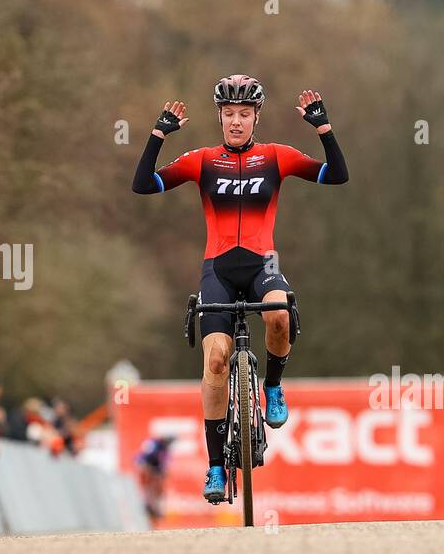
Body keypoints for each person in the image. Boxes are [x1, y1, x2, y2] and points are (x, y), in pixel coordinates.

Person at [131, 74, 349, 502]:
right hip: (217, 268)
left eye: (244, 114)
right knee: (215, 361)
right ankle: (215, 466)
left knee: (279, 312)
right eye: (228, 114)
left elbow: (337, 176)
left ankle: (272, 386)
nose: (235, 122)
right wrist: (158, 134)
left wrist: (323, 129)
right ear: (219, 117)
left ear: (256, 117)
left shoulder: (277, 157)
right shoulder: (201, 160)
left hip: (262, 263)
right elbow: (143, 184)